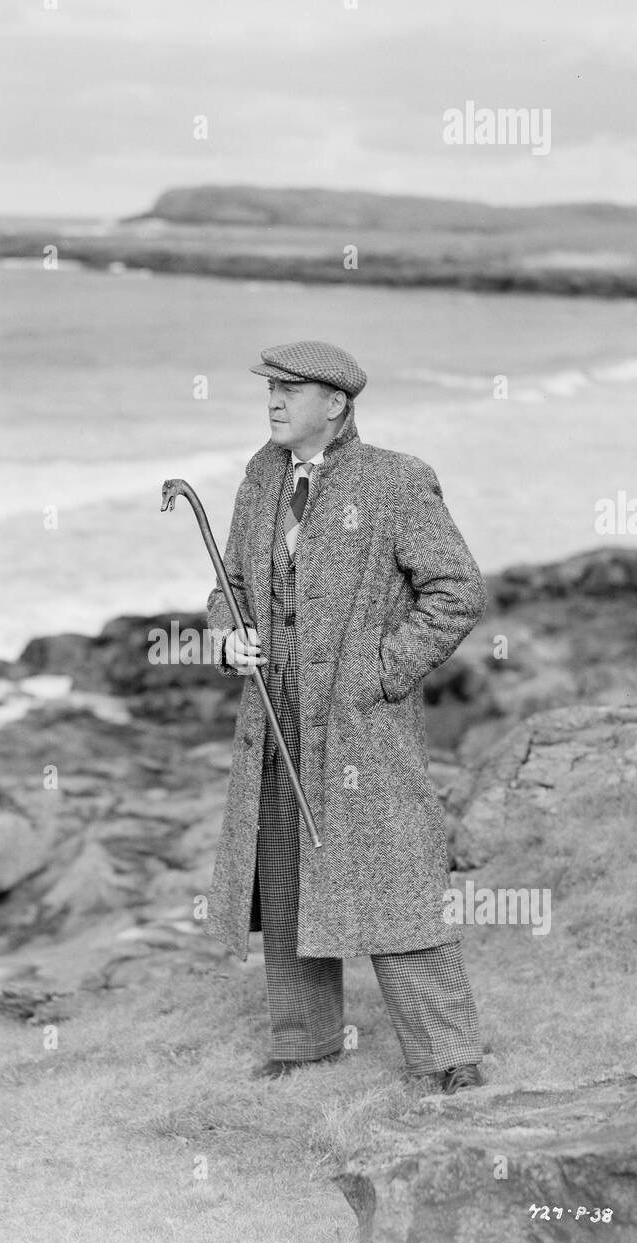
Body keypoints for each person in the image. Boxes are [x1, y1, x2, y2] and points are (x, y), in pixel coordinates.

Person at [206, 340, 486, 1092]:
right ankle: (305, 1043)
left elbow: (456, 592)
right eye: (269, 388)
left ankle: (449, 1059)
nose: (272, 401)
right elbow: (228, 584)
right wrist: (228, 633)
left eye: (289, 390)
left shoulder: (395, 479)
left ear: (334, 403)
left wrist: (379, 674)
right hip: (272, 712)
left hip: (362, 721)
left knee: (391, 875)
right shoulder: (261, 474)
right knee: (282, 871)